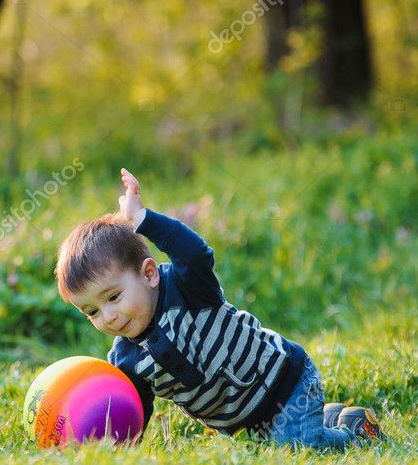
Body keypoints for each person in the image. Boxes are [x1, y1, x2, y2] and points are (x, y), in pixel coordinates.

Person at [54, 168, 383, 448]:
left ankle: (354, 432)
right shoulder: (127, 359)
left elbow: (195, 253)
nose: (108, 316)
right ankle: (324, 417)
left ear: (150, 274)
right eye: (92, 312)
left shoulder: (188, 290)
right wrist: (115, 447)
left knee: (298, 448)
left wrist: (143, 220)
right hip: (242, 420)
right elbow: (134, 411)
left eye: (113, 297)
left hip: (285, 383)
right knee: (276, 444)